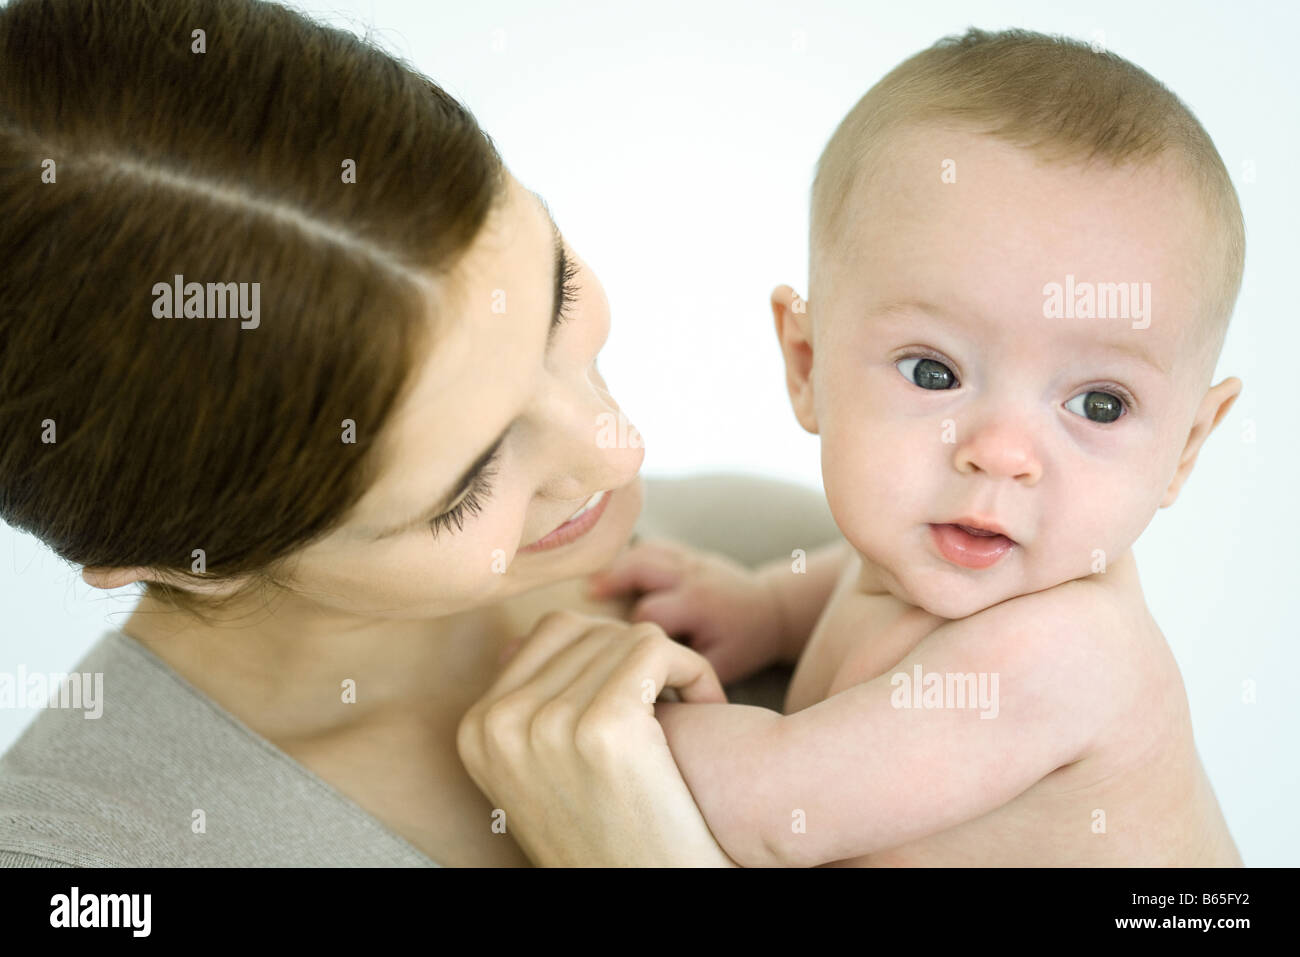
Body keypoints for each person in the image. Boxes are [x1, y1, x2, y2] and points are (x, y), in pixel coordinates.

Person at [0, 0, 840, 867]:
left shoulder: (793, 560)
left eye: (555, 297)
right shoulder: (80, 864)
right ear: (187, 559)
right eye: (469, 481)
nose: (615, 448)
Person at [566, 28, 1246, 866]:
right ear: (807, 364)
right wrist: (767, 610)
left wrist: (620, 717)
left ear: (1185, 447)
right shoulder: (929, 550)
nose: (999, 453)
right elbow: (859, 578)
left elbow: (776, 811)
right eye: (933, 372)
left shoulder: (1066, 652)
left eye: (1098, 403)